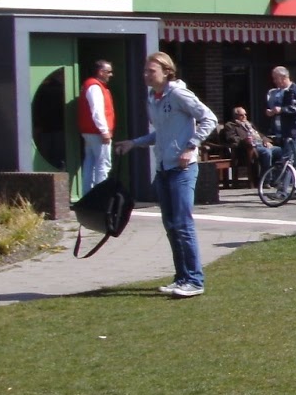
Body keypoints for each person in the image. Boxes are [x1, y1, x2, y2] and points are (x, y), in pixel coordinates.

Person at [115, 52, 217, 298]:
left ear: (167, 72)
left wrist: (191, 146)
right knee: (171, 226)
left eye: (151, 71)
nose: (146, 75)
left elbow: (209, 119)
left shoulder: (179, 94)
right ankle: (181, 278)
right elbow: (161, 134)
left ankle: (195, 280)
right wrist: (134, 143)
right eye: (145, 71)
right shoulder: (153, 98)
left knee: (183, 225)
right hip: (163, 169)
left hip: (182, 170)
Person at [78, 59, 116, 193]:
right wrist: (104, 130)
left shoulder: (90, 85)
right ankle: (100, 196)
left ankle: (88, 195)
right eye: (108, 72)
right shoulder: (95, 86)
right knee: (103, 165)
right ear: (100, 72)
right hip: (97, 132)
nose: (111, 74)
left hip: (89, 131)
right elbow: (97, 111)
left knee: (90, 162)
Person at [264, 66, 296, 165]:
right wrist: (271, 112)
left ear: (283, 77)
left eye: (275, 78)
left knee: (288, 160)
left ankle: (290, 174)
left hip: (293, 131)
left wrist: (282, 110)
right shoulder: (276, 93)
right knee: (282, 160)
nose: (274, 81)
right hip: (279, 133)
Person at [220, 105, 277, 176]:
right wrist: (246, 140)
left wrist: (266, 141)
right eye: (241, 115)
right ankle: (266, 179)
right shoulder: (230, 125)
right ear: (235, 116)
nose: (244, 116)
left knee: (278, 150)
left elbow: (259, 134)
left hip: (260, 144)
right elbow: (232, 138)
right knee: (267, 152)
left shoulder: (249, 124)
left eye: (245, 114)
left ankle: (276, 177)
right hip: (248, 148)